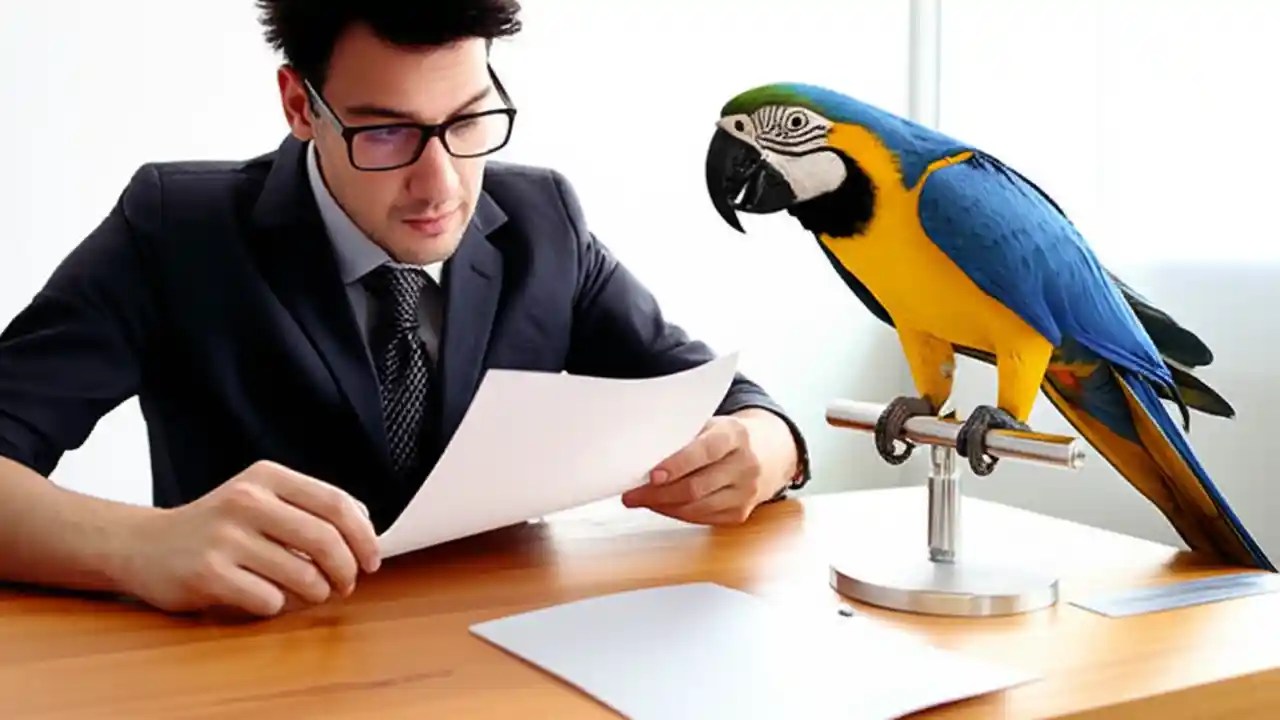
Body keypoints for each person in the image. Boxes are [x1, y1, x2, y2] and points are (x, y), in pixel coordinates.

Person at [0, 1, 809, 619]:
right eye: (386, 133)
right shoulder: (175, 229)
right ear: (299, 105)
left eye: (469, 120)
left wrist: (770, 448)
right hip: (253, 664)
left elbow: (721, 399)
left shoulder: (543, 223)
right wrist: (139, 546)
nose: (442, 186)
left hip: (501, 659)